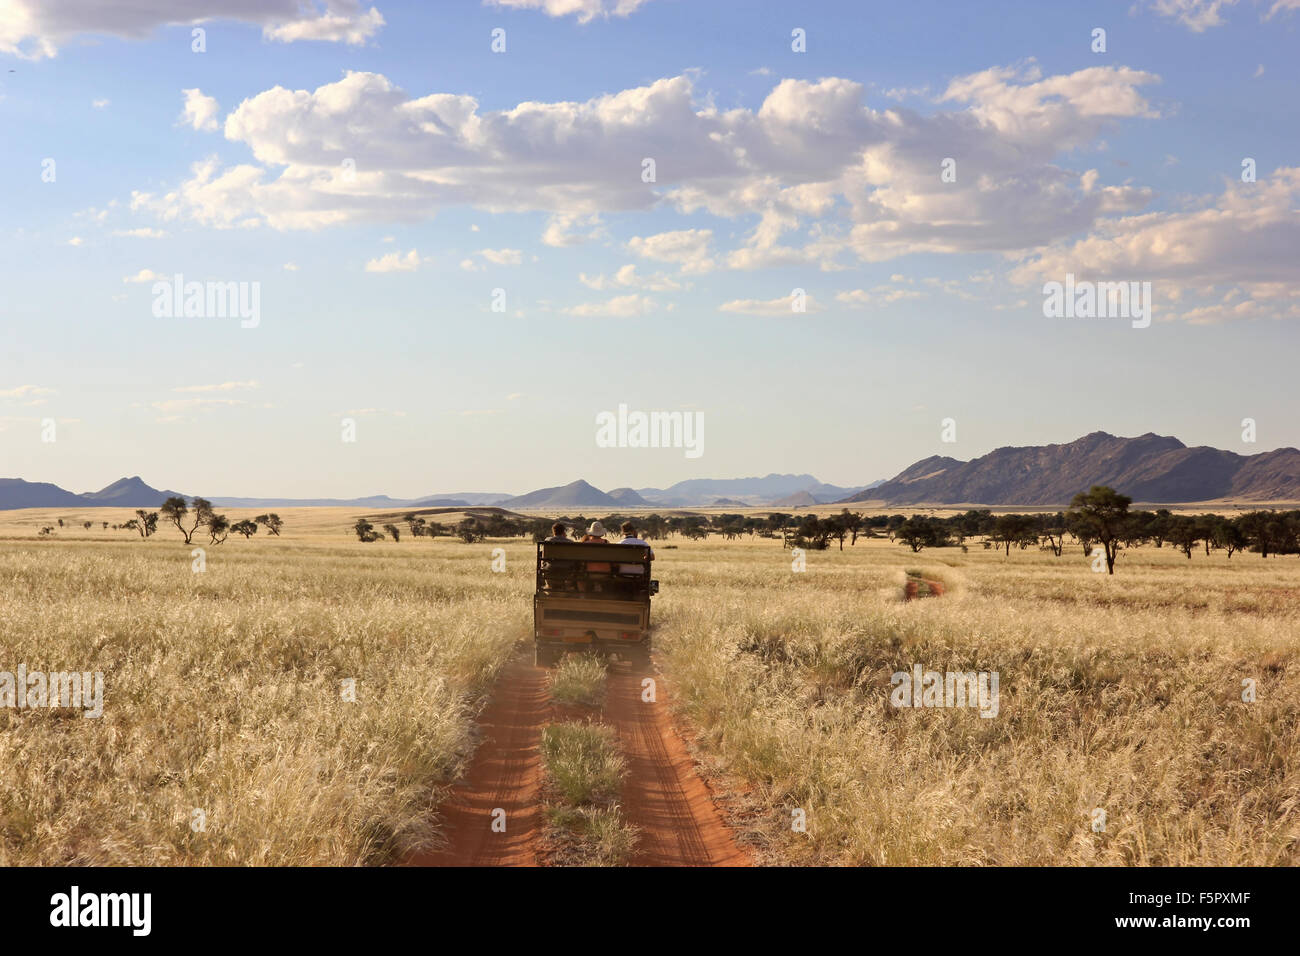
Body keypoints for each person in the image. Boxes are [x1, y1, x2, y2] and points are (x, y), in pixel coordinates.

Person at [615, 521, 654, 595]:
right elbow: (652, 557)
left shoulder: (619, 544)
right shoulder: (642, 543)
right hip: (639, 574)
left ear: (623, 532)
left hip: (623, 574)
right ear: (633, 531)